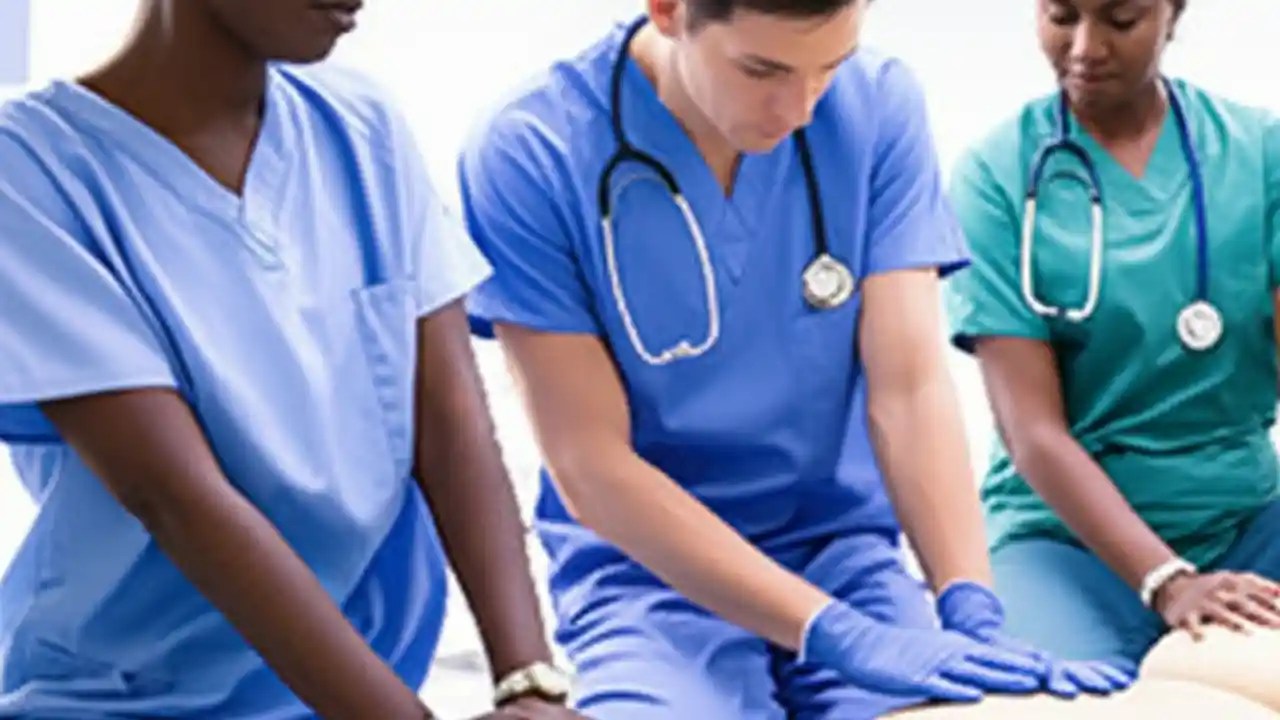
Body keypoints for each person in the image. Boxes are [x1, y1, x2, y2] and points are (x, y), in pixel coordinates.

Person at [457, 0, 1133, 717]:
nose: (801, 110)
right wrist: (831, 634)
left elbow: (908, 392)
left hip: (843, 555)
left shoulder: (874, 106)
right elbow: (591, 464)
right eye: (761, 70)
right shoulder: (534, 149)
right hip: (651, 578)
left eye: (828, 69)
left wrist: (968, 603)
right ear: (667, 10)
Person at [0, 2, 583, 718]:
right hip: (125, 699)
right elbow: (178, 499)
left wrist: (529, 684)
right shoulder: (27, 171)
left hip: (368, 688)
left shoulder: (363, 128)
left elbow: (452, 419)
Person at [945, 0, 1280, 680]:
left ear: (1173, 13)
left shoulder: (1260, 153)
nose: (1083, 48)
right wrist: (1166, 578)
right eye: (1060, 16)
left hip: (1247, 520)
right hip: (1063, 539)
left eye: (1120, 20)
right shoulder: (997, 175)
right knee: (1052, 694)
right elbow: (1032, 432)